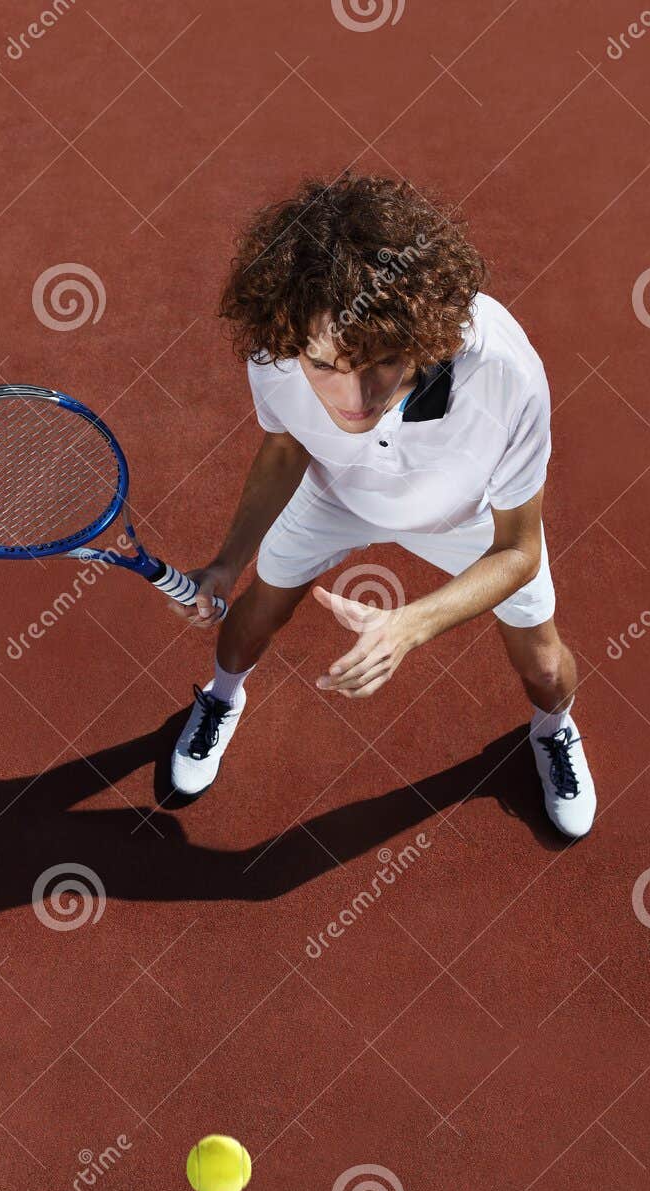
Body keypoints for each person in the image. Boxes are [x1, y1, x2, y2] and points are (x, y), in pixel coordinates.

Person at [169, 173, 595, 839]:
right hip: (337, 493)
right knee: (254, 611)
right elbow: (285, 450)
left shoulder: (507, 377)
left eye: (380, 363)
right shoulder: (278, 345)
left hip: (466, 519)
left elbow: (518, 549)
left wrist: (408, 625)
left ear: (423, 338)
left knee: (544, 664)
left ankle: (552, 728)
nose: (352, 398)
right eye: (324, 366)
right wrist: (225, 562)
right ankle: (221, 697)